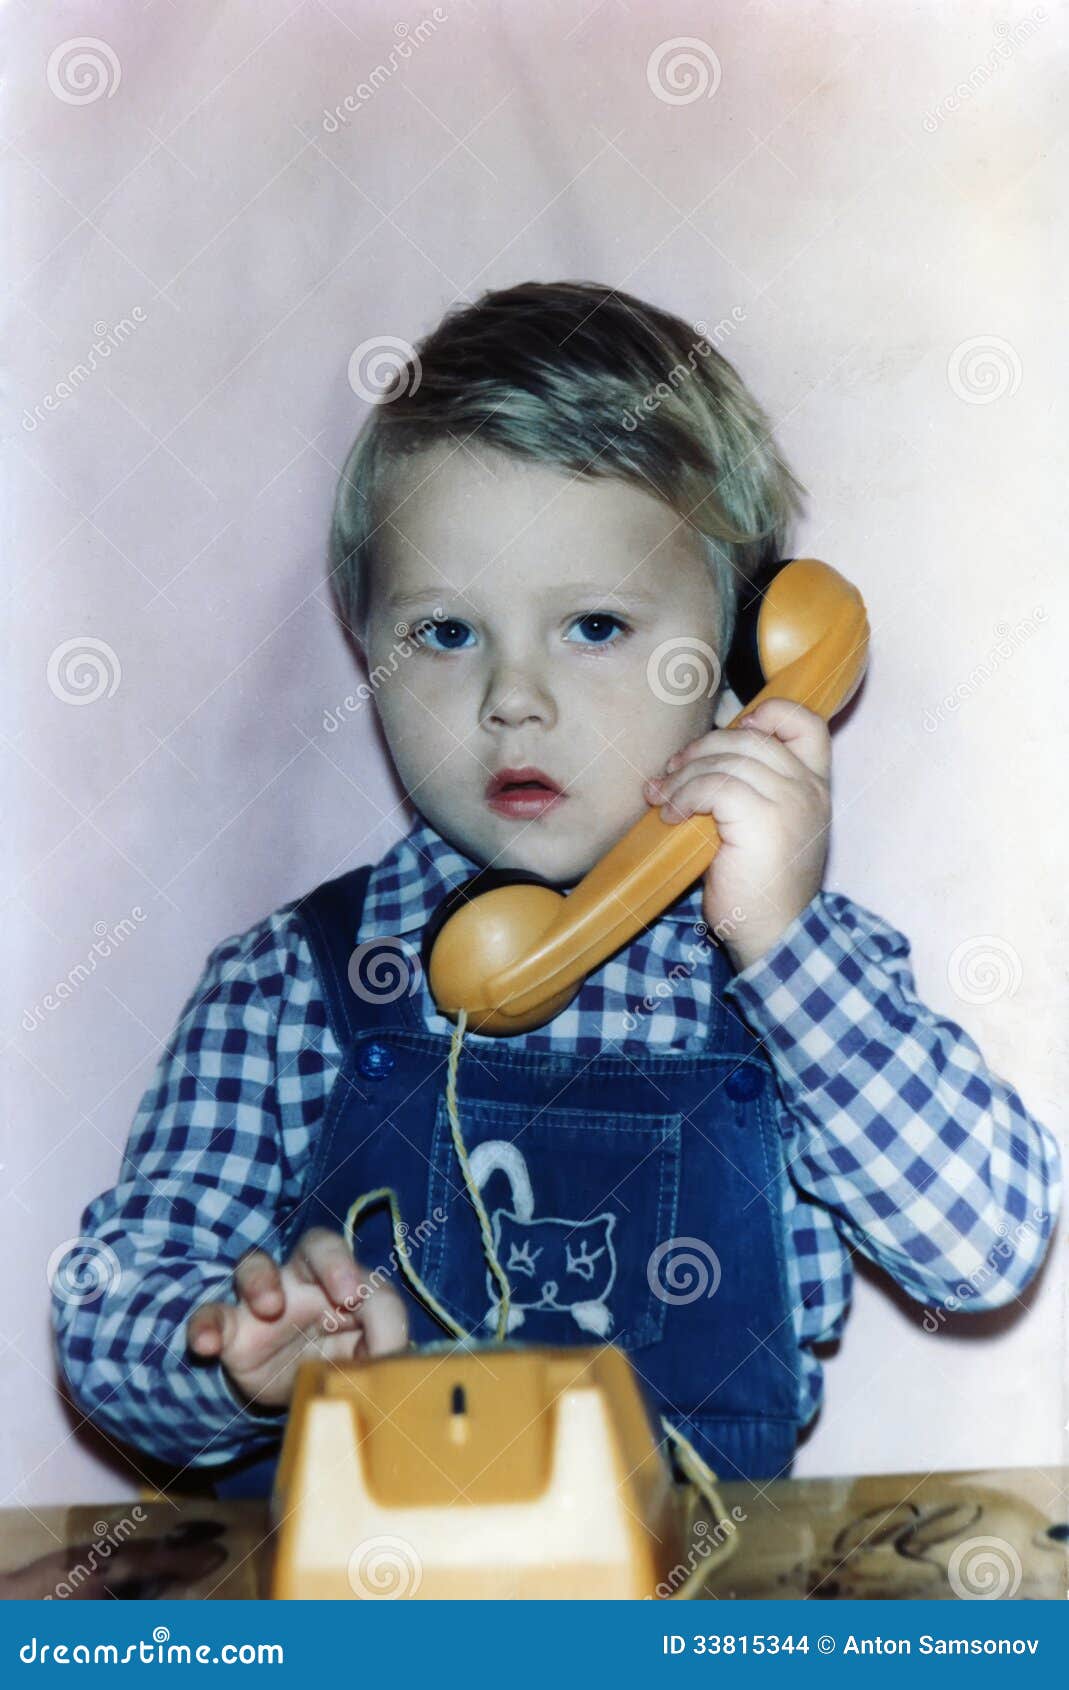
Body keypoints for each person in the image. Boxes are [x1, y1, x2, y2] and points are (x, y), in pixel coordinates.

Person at [53, 281, 1061, 1499]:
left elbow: (985, 1246)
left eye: (593, 625)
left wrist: (782, 948)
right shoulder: (287, 987)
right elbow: (113, 1299)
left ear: (745, 656)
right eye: (444, 634)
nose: (511, 699)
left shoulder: (804, 980)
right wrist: (225, 1348)